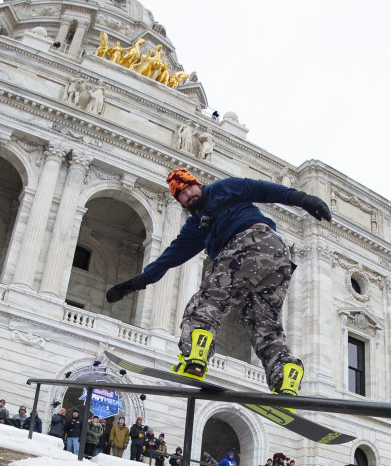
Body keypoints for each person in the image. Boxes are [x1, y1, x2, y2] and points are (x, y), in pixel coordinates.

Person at [104, 168, 331, 399]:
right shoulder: (196, 227)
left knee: (207, 302)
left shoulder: (221, 189)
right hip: (278, 259)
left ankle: (196, 356)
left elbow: (260, 189)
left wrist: (301, 199)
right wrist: (136, 282)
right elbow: (170, 257)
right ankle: (286, 374)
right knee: (263, 324)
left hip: (251, 242)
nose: (188, 195)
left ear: (198, 184)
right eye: (181, 194)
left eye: (189, 188)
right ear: (179, 201)